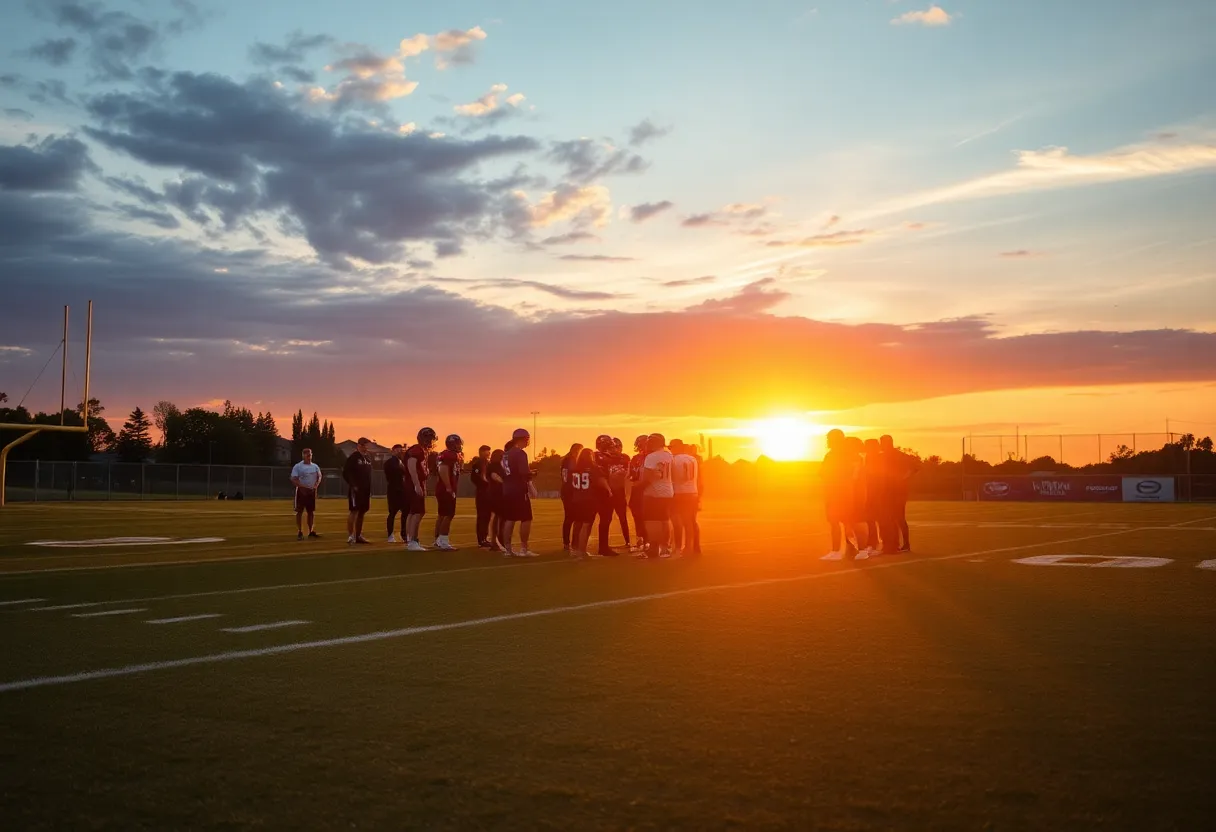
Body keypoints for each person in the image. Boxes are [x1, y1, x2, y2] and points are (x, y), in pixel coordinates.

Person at [500, 428, 538, 557]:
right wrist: (531, 481)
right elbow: (523, 473)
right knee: (526, 518)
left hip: (507, 489)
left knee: (510, 519)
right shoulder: (520, 453)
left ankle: (508, 549)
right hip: (519, 490)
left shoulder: (505, 454)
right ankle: (524, 549)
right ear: (524, 439)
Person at [820, 429, 857, 560]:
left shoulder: (844, 454)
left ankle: (842, 550)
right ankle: (842, 549)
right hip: (833, 491)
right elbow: (823, 471)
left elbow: (849, 472)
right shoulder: (831, 454)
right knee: (835, 521)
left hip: (841, 492)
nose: (827, 441)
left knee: (843, 521)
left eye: (829, 438)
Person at [880, 434, 920, 552]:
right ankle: (894, 543)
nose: (881, 445)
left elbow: (915, 467)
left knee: (899, 517)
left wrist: (903, 478)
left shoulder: (899, 455)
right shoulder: (883, 456)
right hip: (887, 490)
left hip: (898, 491)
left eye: (882, 443)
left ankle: (905, 544)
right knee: (890, 517)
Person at [404, 427, 438, 551]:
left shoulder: (421, 450)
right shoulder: (417, 450)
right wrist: (417, 484)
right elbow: (411, 465)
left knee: (413, 512)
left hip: (415, 483)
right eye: (431, 439)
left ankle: (410, 539)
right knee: (418, 512)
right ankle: (413, 541)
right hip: (414, 484)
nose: (432, 442)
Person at [642, 433, 674, 558]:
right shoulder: (669, 455)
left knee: (652, 521)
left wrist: (638, 487)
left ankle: (654, 547)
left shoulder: (651, 457)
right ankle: (665, 548)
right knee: (665, 520)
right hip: (668, 491)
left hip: (654, 492)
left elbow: (647, 477)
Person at [567, 447, 601, 558]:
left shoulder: (575, 469)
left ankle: (575, 548)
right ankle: (582, 550)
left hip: (576, 499)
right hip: (588, 499)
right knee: (586, 525)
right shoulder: (593, 468)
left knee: (577, 523)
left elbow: (570, 485)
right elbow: (597, 483)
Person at [591, 435, 620, 557]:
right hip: (603, 492)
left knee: (591, 521)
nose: (612, 447)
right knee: (604, 520)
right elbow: (602, 476)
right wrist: (609, 489)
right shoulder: (602, 457)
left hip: (595, 492)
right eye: (610, 444)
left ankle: (579, 547)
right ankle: (603, 547)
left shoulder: (595, 456)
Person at [433, 434, 463, 550]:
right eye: (458, 443)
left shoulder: (446, 454)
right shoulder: (450, 455)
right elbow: (443, 469)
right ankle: (443, 540)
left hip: (442, 488)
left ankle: (438, 540)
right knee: (449, 514)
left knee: (442, 514)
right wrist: (448, 487)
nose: (460, 446)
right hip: (446, 489)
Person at [671, 439, 700, 556]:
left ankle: (679, 547)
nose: (670, 450)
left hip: (679, 492)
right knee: (690, 521)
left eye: (671, 447)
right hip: (692, 491)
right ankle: (691, 547)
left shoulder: (674, 460)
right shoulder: (692, 459)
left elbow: (672, 477)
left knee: (677, 521)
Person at [342, 437, 374, 545]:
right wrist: (353, 485)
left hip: (365, 490)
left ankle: (358, 535)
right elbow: (346, 472)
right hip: (356, 490)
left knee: (362, 511)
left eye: (367, 445)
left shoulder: (368, 458)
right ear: (359, 445)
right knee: (354, 511)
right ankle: (351, 536)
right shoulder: (354, 457)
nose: (366, 447)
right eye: (364, 445)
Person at [861, 438, 887, 556]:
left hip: (878, 493)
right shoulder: (868, 457)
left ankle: (882, 544)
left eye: (867, 446)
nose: (865, 448)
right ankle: (873, 542)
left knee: (880, 519)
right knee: (869, 519)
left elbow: (878, 475)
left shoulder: (878, 458)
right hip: (870, 492)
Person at [290, 447, 322, 540]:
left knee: (311, 512)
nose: (309, 456)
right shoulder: (298, 466)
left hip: (311, 492)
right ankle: (300, 531)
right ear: (303, 455)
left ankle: (311, 531)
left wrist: (316, 486)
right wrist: (302, 487)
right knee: (299, 511)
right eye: (307, 455)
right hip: (302, 492)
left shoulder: (315, 466)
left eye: (310, 454)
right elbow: (293, 478)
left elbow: (319, 476)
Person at [559, 443, 584, 552]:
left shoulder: (566, 460)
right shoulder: (571, 460)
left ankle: (567, 543)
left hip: (566, 490)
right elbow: (574, 475)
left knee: (569, 518)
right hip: (571, 491)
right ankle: (572, 542)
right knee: (573, 517)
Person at [609, 438, 633, 550]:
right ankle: (603, 544)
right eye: (612, 448)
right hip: (608, 492)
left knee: (623, 518)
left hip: (620, 492)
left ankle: (627, 541)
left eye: (616, 447)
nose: (614, 450)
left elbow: (628, 475)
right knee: (606, 519)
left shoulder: (625, 458)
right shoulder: (605, 458)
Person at [628, 435, 649, 557]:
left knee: (647, 516)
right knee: (637, 515)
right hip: (636, 489)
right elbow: (631, 475)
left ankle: (648, 541)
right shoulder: (635, 458)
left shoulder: (651, 457)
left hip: (646, 490)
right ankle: (640, 539)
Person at [469, 445, 493, 548]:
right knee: (482, 516)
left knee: (487, 516)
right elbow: (474, 478)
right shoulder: (478, 463)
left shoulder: (488, 463)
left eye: (489, 451)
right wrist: (484, 484)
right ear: (481, 452)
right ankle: (481, 539)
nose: (488, 453)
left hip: (488, 492)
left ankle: (485, 537)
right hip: (482, 492)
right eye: (486, 451)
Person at [384, 444, 406, 543]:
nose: (400, 452)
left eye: (401, 450)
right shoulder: (390, 462)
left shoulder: (402, 462)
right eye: (397, 450)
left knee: (405, 512)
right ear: (392, 451)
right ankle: (390, 535)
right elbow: (392, 474)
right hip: (394, 490)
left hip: (402, 490)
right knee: (392, 513)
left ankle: (404, 534)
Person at [486, 446, 507, 551]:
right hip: (496, 494)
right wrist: (504, 482)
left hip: (498, 493)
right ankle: (498, 541)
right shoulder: (494, 466)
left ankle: (497, 541)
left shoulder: (500, 466)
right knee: (500, 518)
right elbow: (494, 475)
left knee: (499, 518)